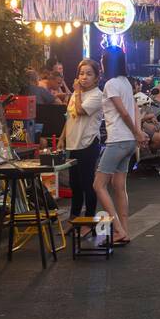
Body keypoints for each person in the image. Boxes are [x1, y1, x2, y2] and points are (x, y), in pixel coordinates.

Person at [95, 45, 142, 246]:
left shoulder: (111, 84)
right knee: (118, 186)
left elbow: (123, 113)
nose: (101, 64)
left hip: (118, 140)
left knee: (98, 185)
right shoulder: (125, 82)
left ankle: (119, 230)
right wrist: (138, 134)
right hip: (129, 142)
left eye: (102, 61)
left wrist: (137, 132)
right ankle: (125, 231)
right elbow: (135, 110)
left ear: (107, 63)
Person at [63, 58, 104, 235]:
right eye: (81, 73)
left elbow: (80, 110)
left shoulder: (97, 95)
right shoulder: (76, 94)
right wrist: (61, 138)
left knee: (88, 184)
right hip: (73, 144)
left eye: (89, 74)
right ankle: (73, 220)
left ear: (96, 77)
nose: (84, 77)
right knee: (74, 184)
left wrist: (77, 92)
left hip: (88, 144)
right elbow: (70, 116)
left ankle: (88, 222)